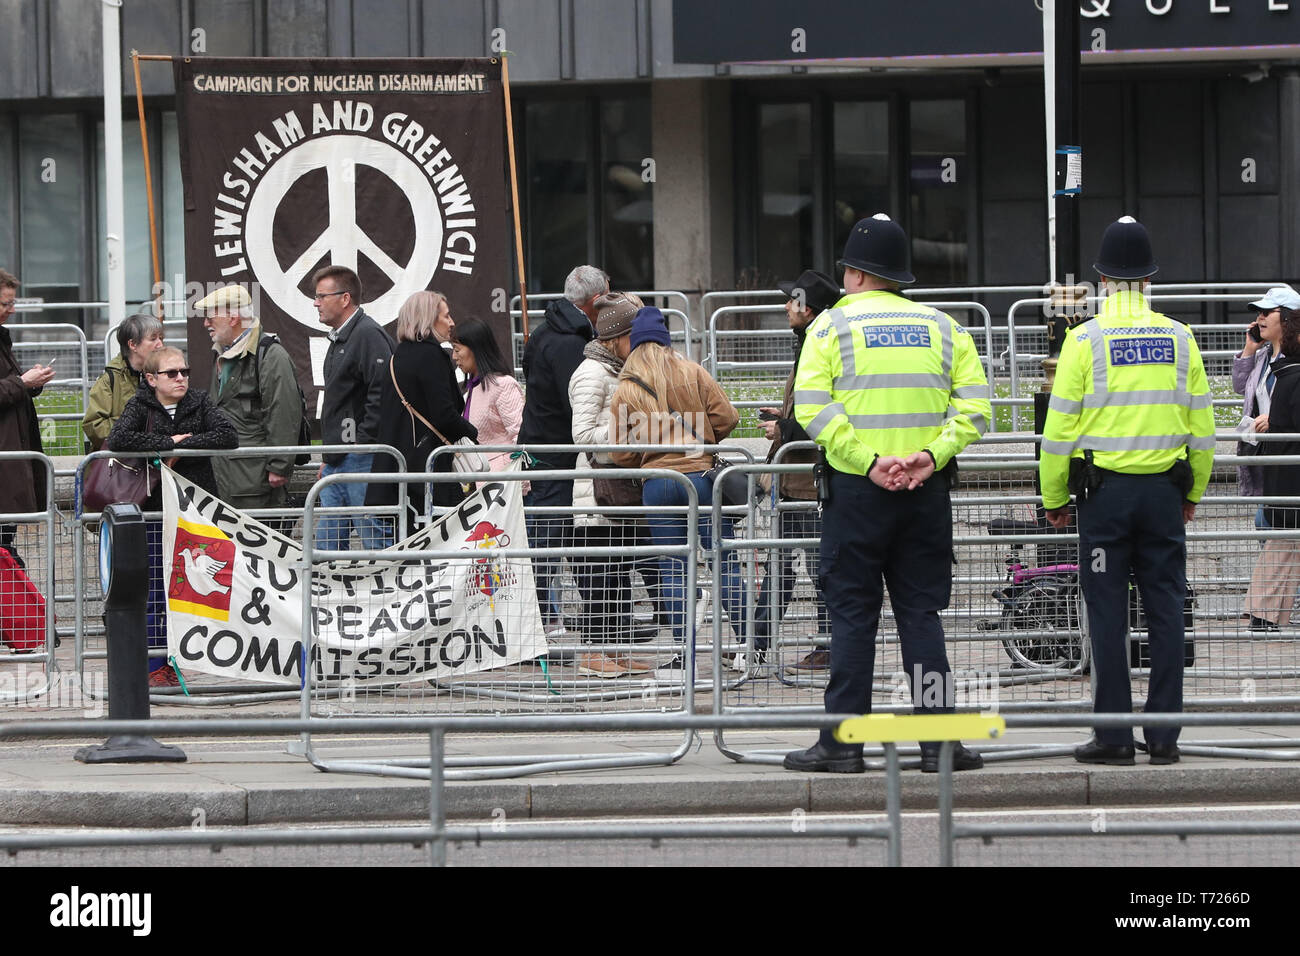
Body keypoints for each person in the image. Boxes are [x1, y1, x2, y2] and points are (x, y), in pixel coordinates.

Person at [782, 214, 991, 775]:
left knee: (852, 617)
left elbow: (812, 410)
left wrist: (869, 464)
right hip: (925, 493)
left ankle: (844, 745)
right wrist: (930, 456)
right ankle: (938, 743)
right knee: (920, 615)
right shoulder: (945, 328)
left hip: (857, 494)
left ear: (852, 273)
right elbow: (976, 409)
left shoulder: (828, 329)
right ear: (898, 275)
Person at [1039, 216, 1214, 767]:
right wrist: (1195, 494)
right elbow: (1203, 431)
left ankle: (1113, 737)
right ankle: (1163, 736)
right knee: (1165, 609)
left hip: (1105, 501)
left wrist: (1054, 500)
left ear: (1102, 278)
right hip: (1164, 496)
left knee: (1107, 614)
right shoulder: (1181, 339)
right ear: (1150, 278)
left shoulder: (1083, 340)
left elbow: (1058, 433)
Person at [609, 307, 744, 681]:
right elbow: (729, 417)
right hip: (701, 478)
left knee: (673, 571)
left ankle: (685, 657)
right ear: (667, 340)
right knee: (725, 562)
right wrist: (695, 439)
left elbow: (620, 452)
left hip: (657, 482)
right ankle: (753, 648)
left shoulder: (627, 386)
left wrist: (653, 445)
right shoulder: (692, 370)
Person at [106, 346, 237, 686]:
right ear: (151, 379)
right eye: (172, 373)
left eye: (185, 371)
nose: (181, 378)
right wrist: (166, 441)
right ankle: (154, 666)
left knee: (192, 590)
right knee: (152, 589)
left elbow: (227, 436)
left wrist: (183, 443)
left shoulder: (199, 400)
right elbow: (120, 438)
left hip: (195, 510)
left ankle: (185, 658)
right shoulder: (140, 404)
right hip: (153, 511)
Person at [568, 292, 655, 678]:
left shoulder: (616, 371)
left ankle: (615, 650)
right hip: (595, 493)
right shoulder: (590, 374)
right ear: (615, 337)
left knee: (618, 575)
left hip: (615, 488)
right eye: (631, 336)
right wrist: (630, 431)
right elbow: (583, 435)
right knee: (599, 576)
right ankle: (591, 653)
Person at [517, 264, 607, 637]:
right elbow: (576, 404)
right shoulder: (572, 343)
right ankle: (537, 621)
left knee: (557, 539)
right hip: (557, 454)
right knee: (550, 540)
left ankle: (550, 618)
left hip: (542, 448)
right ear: (594, 301)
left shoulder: (545, 331)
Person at [756, 270, 839, 675]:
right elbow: (807, 409)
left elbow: (824, 415)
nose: (786, 307)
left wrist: (784, 428)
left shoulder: (818, 348)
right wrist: (783, 416)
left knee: (812, 569)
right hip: (798, 482)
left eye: (792, 300)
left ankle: (827, 646)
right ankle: (753, 645)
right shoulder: (808, 345)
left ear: (809, 308)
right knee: (784, 568)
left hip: (809, 484)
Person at [366, 291, 478, 531]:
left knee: (408, 548)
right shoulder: (432, 356)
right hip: (429, 470)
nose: (452, 322)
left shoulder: (397, 357)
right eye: (446, 316)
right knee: (443, 543)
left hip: (399, 470)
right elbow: (444, 415)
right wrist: (473, 432)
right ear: (428, 319)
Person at [198, 284, 300, 512]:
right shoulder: (222, 353)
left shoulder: (271, 356)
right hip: (227, 476)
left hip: (254, 479)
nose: (205, 323)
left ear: (233, 318)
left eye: (211, 317)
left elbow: (283, 412)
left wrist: (279, 465)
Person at [314, 265, 394, 552]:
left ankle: (391, 593)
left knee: (375, 541)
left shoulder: (368, 335)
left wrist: (363, 443)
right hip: (341, 459)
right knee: (326, 548)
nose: (316, 303)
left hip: (362, 458)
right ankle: (326, 596)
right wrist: (331, 454)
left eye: (322, 296)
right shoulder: (345, 337)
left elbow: (383, 391)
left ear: (345, 298)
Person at [1235, 286, 1300, 630]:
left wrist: (1275, 421)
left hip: (1285, 456)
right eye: (1258, 311)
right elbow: (1239, 385)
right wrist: (1250, 347)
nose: (1259, 317)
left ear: (1286, 319)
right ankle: (1268, 611)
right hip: (1265, 454)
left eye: (1267, 312)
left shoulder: (1294, 363)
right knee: (1275, 527)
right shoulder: (1263, 359)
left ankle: (1264, 610)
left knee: (1278, 529)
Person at [0, 269, 53, 569]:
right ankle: (28, 607)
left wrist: (31, 382)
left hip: (11, 453)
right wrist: (23, 383)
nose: (12, 310)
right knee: (5, 548)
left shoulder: (3, 338)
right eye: (6, 304)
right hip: (6, 454)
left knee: (5, 543)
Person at [83, 305, 165, 451]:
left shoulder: (165, 375)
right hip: (119, 467)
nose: (160, 344)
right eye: (153, 339)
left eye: (161, 338)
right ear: (133, 344)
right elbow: (94, 426)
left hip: (154, 463)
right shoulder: (109, 380)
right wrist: (136, 428)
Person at [452, 315, 524, 474]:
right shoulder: (474, 387)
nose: (454, 356)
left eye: (457, 349)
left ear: (476, 348)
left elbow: (520, 437)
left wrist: (519, 482)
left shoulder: (504, 385)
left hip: (504, 485)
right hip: (484, 485)